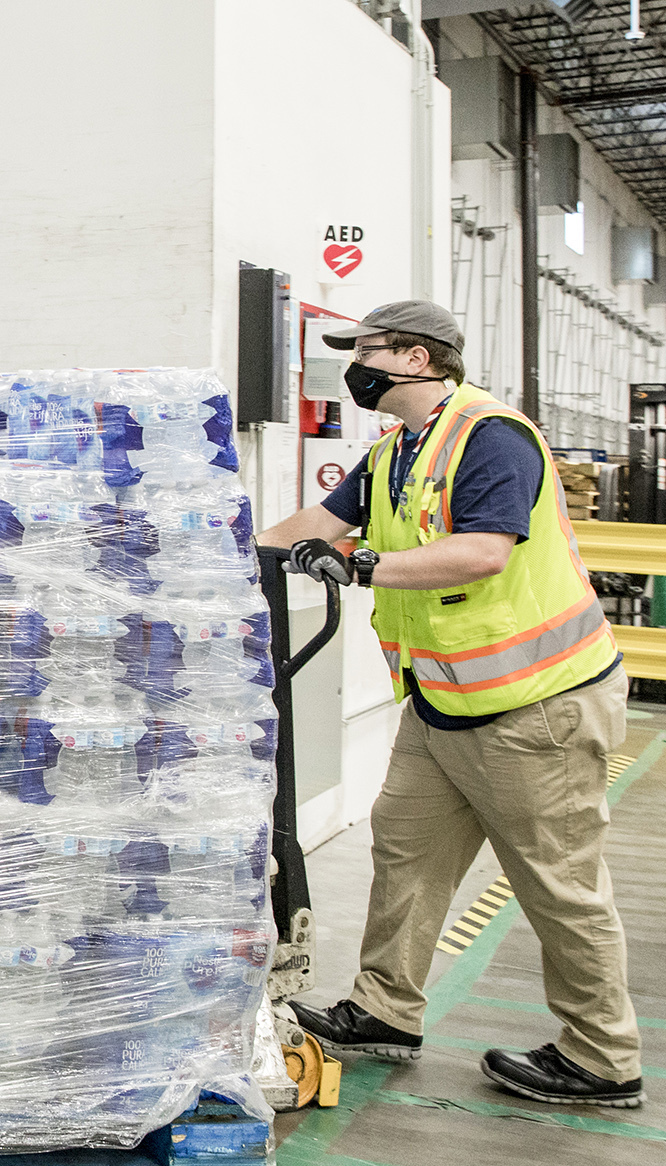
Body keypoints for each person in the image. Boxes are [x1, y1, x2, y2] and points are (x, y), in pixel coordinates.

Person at [256, 299, 644, 1108]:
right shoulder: (398, 449)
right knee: (408, 854)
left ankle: (603, 1058)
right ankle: (384, 1010)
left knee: (556, 882)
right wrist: (210, 561)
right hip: (441, 699)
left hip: (537, 704)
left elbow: (482, 552)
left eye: (365, 351)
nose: (353, 366)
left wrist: (359, 570)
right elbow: (316, 526)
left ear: (417, 358)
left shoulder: (490, 436)